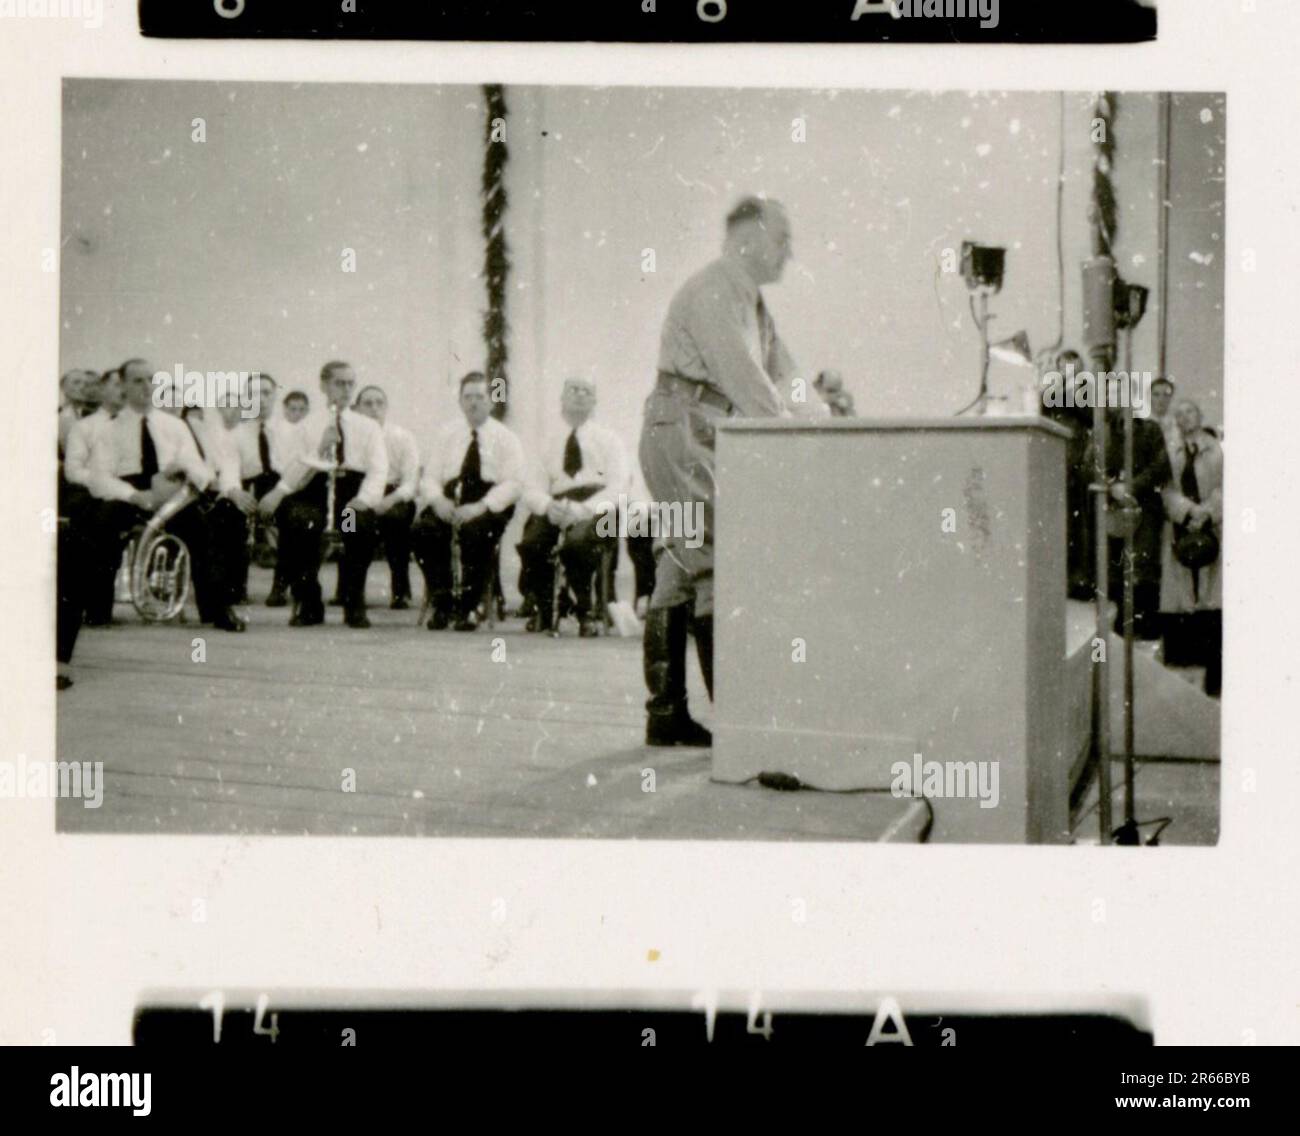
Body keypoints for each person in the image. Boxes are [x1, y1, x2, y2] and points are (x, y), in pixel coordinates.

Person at [640, 195, 826, 747]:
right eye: (782, 239)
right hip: (684, 427)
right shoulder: (715, 291)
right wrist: (804, 441)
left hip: (698, 429)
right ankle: (740, 723)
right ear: (748, 239)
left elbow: (788, 379)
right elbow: (751, 385)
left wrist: (830, 421)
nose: (790, 253)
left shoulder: (751, 302)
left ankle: (666, 712)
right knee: (714, 561)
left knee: (680, 565)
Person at [79, 359, 246, 631]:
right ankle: (97, 610)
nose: (146, 387)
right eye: (137, 381)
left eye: (150, 380)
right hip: (129, 493)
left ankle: (217, 610)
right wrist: (135, 496)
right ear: (123, 386)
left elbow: (198, 466)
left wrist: (186, 470)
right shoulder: (109, 429)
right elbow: (100, 479)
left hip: (171, 491)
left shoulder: (174, 425)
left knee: (203, 531)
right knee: (102, 524)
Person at [256, 361, 387, 629]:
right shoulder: (306, 426)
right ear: (324, 385)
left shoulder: (367, 426)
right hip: (315, 490)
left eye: (351, 383)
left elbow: (378, 469)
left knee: (354, 528)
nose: (347, 389)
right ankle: (309, 602)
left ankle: (354, 603)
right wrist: (279, 492)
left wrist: (364, 498)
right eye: (340, 383)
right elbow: (294, 468)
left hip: (349, 496)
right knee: (299, 523)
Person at [411, 372, 524, 632]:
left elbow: (514, 483)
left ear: (491, 401)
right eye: (468, 397)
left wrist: (480, 506)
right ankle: (443, 601)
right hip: (450, 500)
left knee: (476, 532)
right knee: (423, 530)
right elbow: (429, 477)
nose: (473, 403)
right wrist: (438, 500)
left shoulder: (506, 437)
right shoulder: (446, 434)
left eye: (480, 397)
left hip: (487, 503)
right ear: (460, 401)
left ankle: (471, 606)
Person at [517, 376, 628, 635]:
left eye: (586, 391)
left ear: (594, 401)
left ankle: (584, 612)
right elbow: (530, 485)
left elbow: (619, 485)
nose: (579, 395)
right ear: (562, 399)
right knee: (532, 542)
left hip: (599, 508)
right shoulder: (545, 440)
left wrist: (583, 510)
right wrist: (547, 506)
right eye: (573, 390)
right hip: (557, 505)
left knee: (578, 542)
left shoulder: (609, 440)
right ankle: (545, 610)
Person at [1159, 398, 1223, 696]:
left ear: (1200, 416)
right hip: (1179, 528)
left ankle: (1213, 685)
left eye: (1190, 412)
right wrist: (1186, 511)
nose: (1185, 417)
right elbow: (1166, 488)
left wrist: (1207, 512)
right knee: (1181, 594)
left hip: (1212, 530)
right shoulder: (1170, 452)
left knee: (1212, 595)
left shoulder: (1216, 451)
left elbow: (1227, 486)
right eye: (1179, 413)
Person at [1103, 396, 1172, 641]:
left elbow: (1161, 466)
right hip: (1114, 511)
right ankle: (1120, 630)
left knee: (1144, 566)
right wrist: (1112, 487)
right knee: (1116, 567)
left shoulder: (1151, 430)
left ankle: (1147, 628)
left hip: (1146, 507)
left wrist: (1131, 486)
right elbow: (1091, 463)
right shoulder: (1104, 433)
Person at [353, 385, 421, 610]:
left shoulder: (402, 437)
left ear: (387, 407)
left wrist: (389, 501)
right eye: (368, 403)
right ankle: (349, 590)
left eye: (379, 403)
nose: (374, 408)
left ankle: (400, 591)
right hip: (360, 495)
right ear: (357, 408)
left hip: (395, 497)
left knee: (395, 523)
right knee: (349, 525)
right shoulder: (352, 437)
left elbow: (411, 482)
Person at [1149, 376, 1179, 462]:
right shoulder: (1142, 424)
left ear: (1171, 397)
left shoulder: (1179, 425)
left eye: (1166, 395)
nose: (1161, 399)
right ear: (1150, 397)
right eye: (1156, 394)